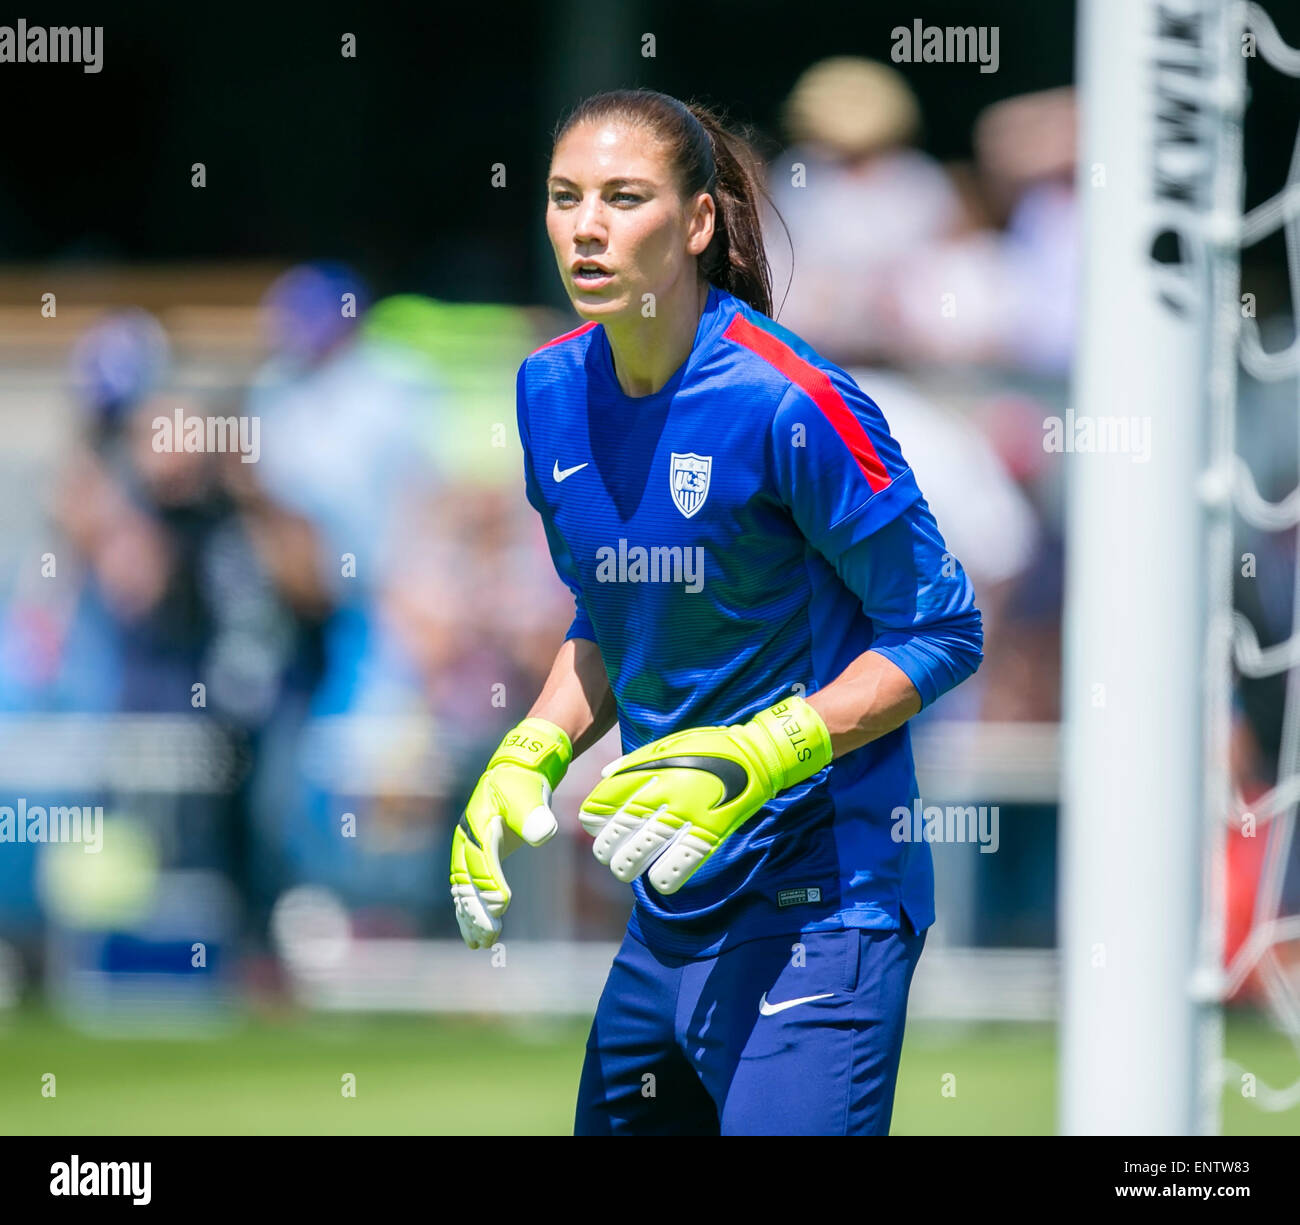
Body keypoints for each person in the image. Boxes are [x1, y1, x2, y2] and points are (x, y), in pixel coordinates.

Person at [449, 89, 983, 1136]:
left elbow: (940, 629)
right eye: (564, 198)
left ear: (695, 223)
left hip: (820, 908)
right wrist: (531, 748)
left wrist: (767, 750)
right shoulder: (547, 390)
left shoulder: (793, 400)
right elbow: (613, 615)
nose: (586, 225)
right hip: (668, 910)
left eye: (622, 197)